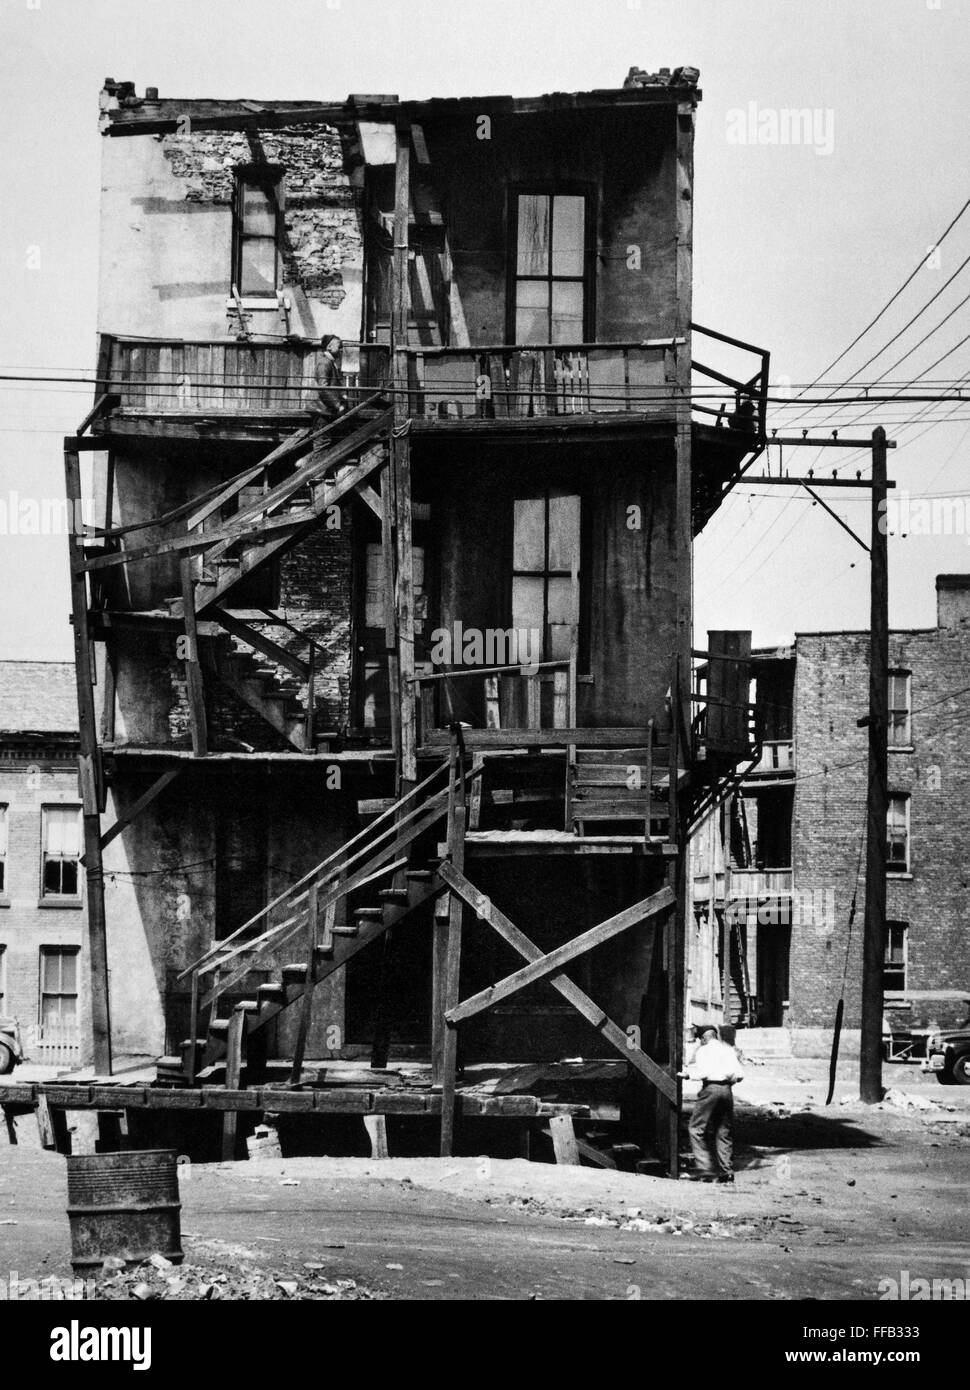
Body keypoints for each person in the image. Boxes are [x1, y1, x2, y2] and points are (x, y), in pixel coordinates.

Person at [680, 1024, 744, 1182]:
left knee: (696, 1128)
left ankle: (705, 1168)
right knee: (724, 1131)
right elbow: (740, 1074)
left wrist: (687, 1075)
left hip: (710, 1089)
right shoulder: (727, 1049)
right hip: (727, 1090)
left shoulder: (703, 1050)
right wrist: (726, 1084)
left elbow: (703, 1072)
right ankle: (726, 1172)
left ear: (703, 1038)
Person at [312, 335, 349, 422]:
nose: (341, 350)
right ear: (329, 347)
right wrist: (337, 404)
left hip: (328, 409)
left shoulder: (331, 362)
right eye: (339, 347)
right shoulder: (325, 363)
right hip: (324, 411)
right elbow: (322, 388)